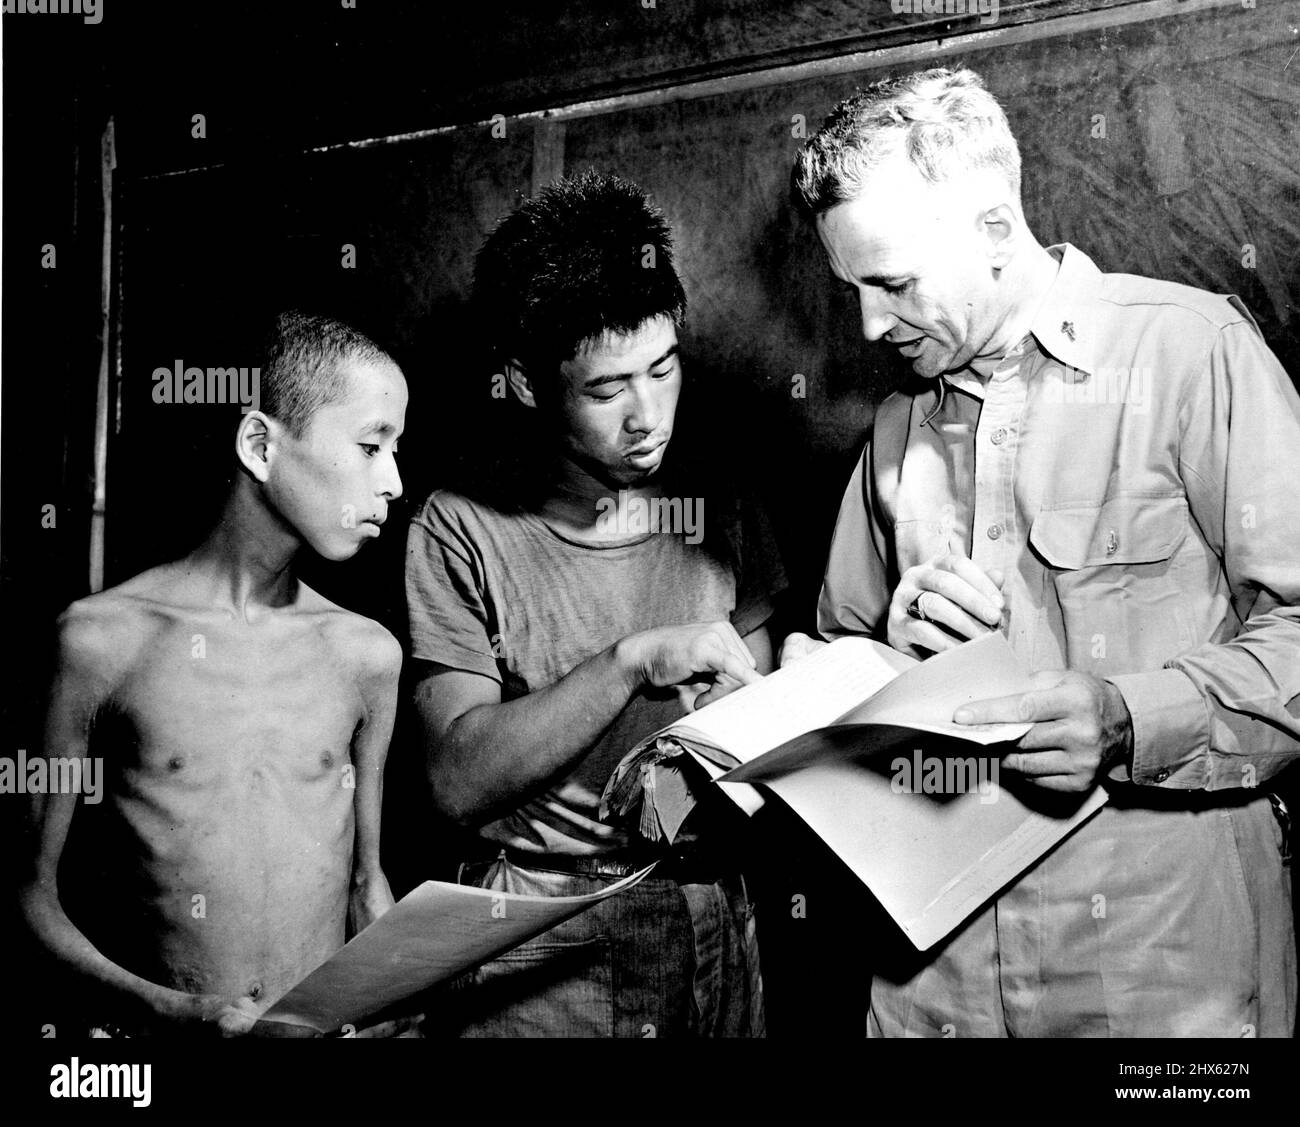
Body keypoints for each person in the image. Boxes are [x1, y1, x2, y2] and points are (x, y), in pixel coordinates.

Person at [784, 67, 1299, 1036]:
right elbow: (829, 666)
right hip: (936, 989)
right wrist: (873, 662)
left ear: (990, 227)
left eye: (891, 284)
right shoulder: (894, 427)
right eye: (851, 289)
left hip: (1159, 985)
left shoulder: (1190, 354)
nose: (867, 325)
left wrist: (1125, 717)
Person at [407, 171, 784, 1037]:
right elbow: (457, 782)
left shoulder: (719, 497)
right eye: (608, 390)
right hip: (550, 934)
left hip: (714, 910)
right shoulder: (461, 526)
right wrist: (629, 661)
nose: (648, 415)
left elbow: (761, 689)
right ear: (529, 385)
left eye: (664, 368)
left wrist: (790, 687)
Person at [19, 311, 408, 1036]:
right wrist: (181, 1013)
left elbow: (366, 885)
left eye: (396, 449)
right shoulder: (99, 641)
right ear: (260, 444)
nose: (393, 481)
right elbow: (28, 896)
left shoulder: (368, 656)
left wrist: (387, 999)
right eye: (369, 446)